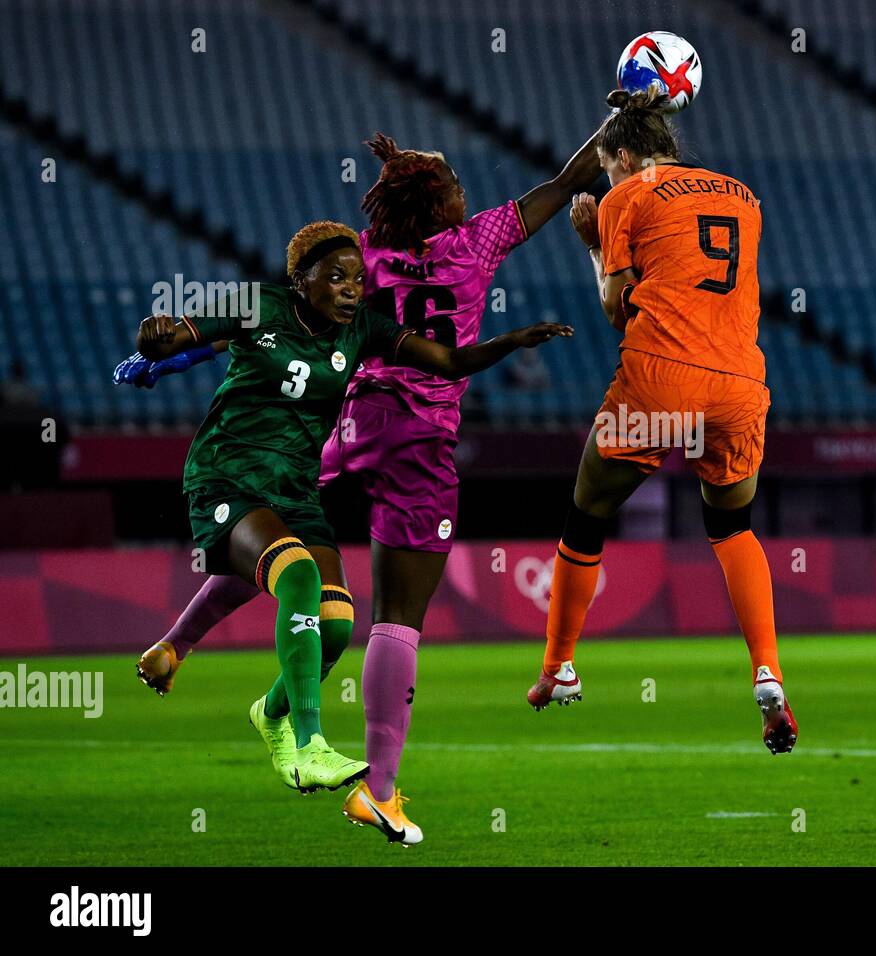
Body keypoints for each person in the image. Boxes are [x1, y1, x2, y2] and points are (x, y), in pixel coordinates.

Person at [120, 127, 599, 843]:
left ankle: (179, 644)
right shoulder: (479, 241)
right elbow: (565, 184)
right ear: (442, 204)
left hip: (346, 423)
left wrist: (179, 358)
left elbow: (283, 317)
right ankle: (379, 788)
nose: (467, 192)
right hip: (420, 444)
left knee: (278, 534)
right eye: (455, 185)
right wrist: (625, 120)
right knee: (397, 616)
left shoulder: (364, 259)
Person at [526, 90, 797, 755]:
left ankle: (558, 666)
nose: (609, 178)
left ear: (621, 154)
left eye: (608, 164)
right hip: (739, 387)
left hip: (661, 380)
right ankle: (767, 672)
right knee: (732, 527)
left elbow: (617, 309)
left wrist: (594, 244)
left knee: (587, 513)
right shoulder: (743, 196)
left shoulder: (625, 195)